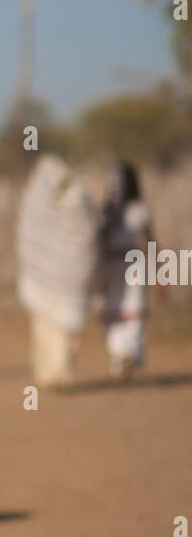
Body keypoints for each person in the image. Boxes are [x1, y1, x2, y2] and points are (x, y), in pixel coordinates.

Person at [16, 153, 101, 388]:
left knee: (51, 329)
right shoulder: (47, 198)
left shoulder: (57, 196)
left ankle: (55, 374)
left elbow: (83, 233)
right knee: (57, 330)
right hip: (53, 279)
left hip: (54, 279)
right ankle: (55, 374)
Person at [99, 161, 152, 380]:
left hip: (127, 263)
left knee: (127, 308)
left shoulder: (137, 210)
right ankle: (123, 354)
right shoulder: (108, 212)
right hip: (119, 264)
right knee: (120, 308)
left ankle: (126, 353)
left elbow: (150, 240)